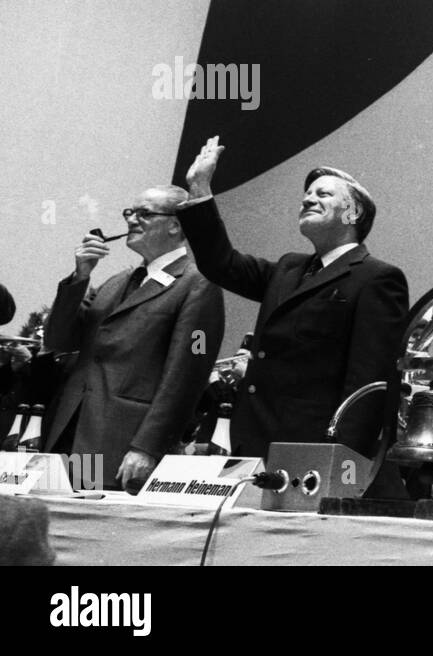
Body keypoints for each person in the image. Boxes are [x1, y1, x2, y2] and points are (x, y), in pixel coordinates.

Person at [178, 137, 409, 459]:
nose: (307, 200)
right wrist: (200, 188)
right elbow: (221, 264)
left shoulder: (377, 278)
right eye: (306, 195)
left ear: (353, 213)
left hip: (312, 449)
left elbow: (367, 384)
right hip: (252, 442)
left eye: (323, 194)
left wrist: (343, 459)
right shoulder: (288, 268)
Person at [42, 186, 225, 491]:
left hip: (121, 442)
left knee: (89, 526)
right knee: (62, 522)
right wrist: (80, 277)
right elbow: (59, 340)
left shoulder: (199, 285)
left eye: (145, 213)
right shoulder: (115, 282)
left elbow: (188, 376)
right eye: (130, 213)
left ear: (176, 225)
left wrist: (148, 447)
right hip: (71, 433)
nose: (132, 220)